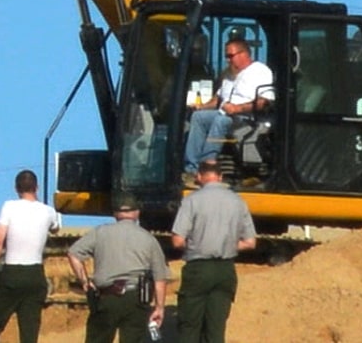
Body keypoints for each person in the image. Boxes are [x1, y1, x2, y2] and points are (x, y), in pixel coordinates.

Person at [170, 160, 257, 342]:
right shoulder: (238, 201)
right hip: (225, 270)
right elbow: (250, 243)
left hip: (198, 268)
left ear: (199, 176)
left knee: (189, 326)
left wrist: (197, 244)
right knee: (216, 328)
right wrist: (228, 245)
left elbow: (177, 241)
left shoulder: (192, 200)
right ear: (220, 176)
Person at [67, 192, 171, 343]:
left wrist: (84, 281)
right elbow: (159, 277)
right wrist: (159, 307)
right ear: (137, 212)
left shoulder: (100, 232)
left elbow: (73, 253)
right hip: (137, 299)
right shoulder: (148, 239)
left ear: (115, 213)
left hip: (106, 297)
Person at [0, 169, 61, 343]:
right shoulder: (48, 211)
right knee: (29, 334)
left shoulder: (9, 207)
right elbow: (55, 228)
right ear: (37, 187)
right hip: (35, 275)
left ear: (16, 188)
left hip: (12, 273)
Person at [183, 38, 275, 181]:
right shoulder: (229, 74)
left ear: (244, 54)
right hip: (225, 112)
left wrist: (237, 108)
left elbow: (264, 102)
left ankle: (208, 167)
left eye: (230, 56)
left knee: (221, 120)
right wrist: (201, 107)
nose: (228, 60)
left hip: (246, 117)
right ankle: (192, 168)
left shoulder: (260, 72)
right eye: (226, 56)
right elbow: (218, 98)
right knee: (198, 117)